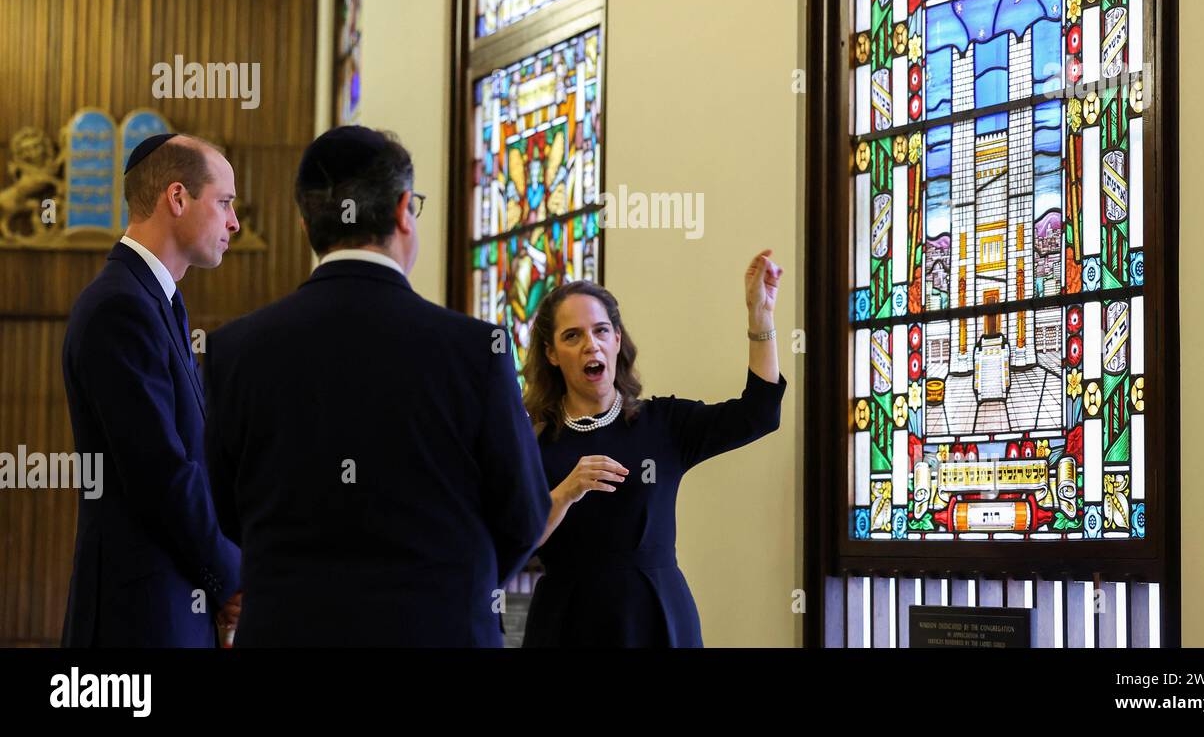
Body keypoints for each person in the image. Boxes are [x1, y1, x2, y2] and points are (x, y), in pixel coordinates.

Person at [204, 126, 551, 646]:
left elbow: (224, 510)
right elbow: (524, 514)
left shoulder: (233, 351)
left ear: (305, 224)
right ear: (403, 210)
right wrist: (453, 587)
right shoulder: (477, 350)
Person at [521, 250, 786, 647]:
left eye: (601, 331)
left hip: (656, 618)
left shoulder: (662, 423)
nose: (590, 345)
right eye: (572, 336)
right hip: (566, 621)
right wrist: (565, 493)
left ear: (617, 340)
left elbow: (759, 414)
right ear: (552, 354)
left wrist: (760, 319)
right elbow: (513, 540)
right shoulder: (530, 442)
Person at [62, 133, 242, 647]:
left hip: (169, 602)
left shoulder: (155, 301)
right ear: (178, 197)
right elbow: (159, 472)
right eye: (225, 203)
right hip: (138, 617)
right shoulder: (121, 307)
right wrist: (231, 575)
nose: (233, 222)